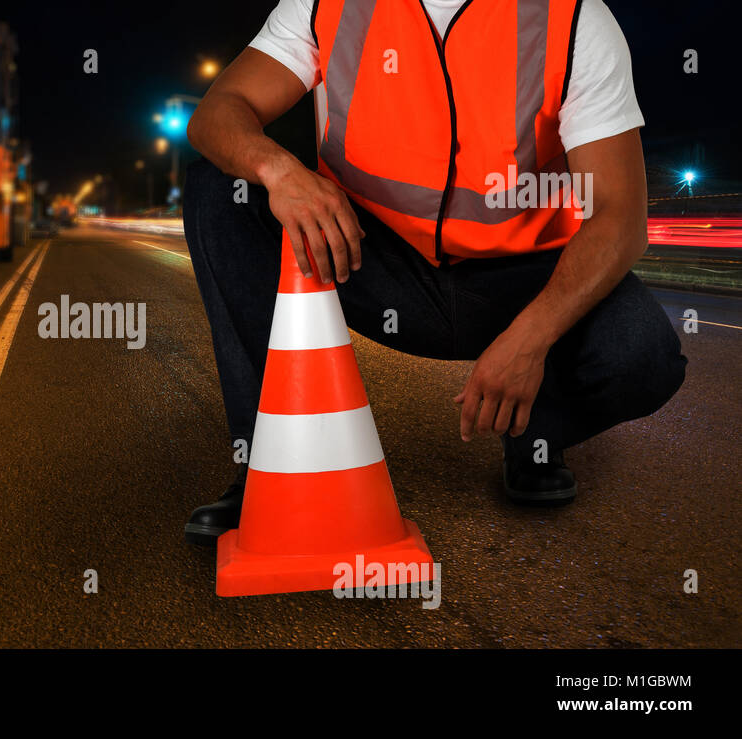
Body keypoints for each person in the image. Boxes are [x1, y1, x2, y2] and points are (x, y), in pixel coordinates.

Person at [182, 0, 686, 546]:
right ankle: (267, 462)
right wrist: (279, 171)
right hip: (370, 257)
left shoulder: (574, 17)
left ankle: (534, 433)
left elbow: (622, 217)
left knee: (645, 355)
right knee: (220, 189)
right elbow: (218, 111)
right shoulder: (326, 4)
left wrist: (530, 339)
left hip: (521, 281)